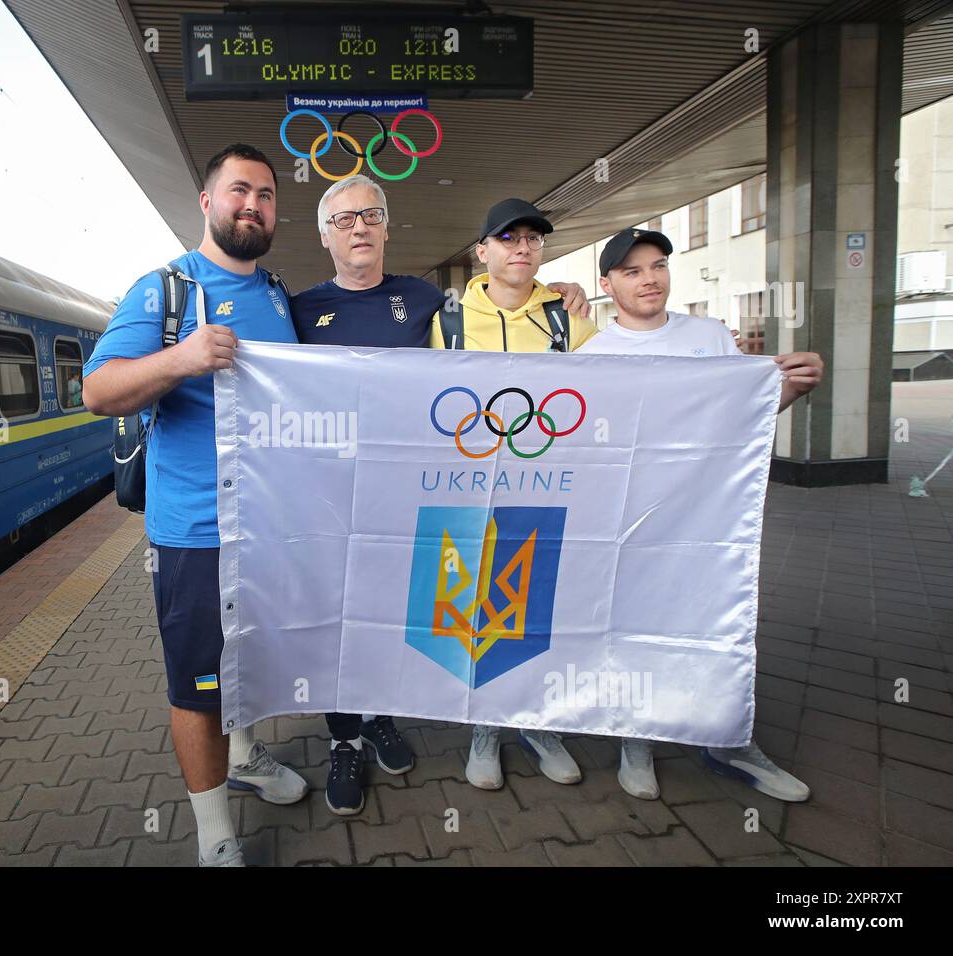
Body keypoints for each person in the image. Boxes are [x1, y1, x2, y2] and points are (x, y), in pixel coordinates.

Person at [292, 176, 590, 814]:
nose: (359, 227)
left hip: (411, 497)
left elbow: (502, 319)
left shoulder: (430, 302)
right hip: (331, 497)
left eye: (371, 215)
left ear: (387, 226)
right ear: (324, 236)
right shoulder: (296, 309)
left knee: (395, 612)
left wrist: (562, 292)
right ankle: (344, 737)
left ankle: (382, 717)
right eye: (343, 220)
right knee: (339, 617)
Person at [81, 144, 306, 867]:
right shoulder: (163, 290)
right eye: (240, 191)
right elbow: (96, 391)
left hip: (267, 527)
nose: (254, 205)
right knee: (198, 684)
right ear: (207, 203)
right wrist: (181, 357)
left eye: (267, 195)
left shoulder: (275, 292)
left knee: (251, 661)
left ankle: (245, 755)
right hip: (197, 534)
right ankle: (215, 837)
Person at [577, 225, 822, 802]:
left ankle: (729, 740)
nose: (649, 279)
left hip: (706, 516)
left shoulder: (711, 337)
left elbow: (739, 417)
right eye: (632, 271)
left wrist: (787, 391)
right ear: (607, 283)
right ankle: (636, 738)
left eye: (657, 265)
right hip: (630, 521)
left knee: (716, 622)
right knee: (633, 626)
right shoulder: (592, 356)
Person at [430, 198, 600, 791]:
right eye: (507, 238)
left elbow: (616, 388)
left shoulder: (568, 319)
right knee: (478, 610)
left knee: (541, 605)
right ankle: (485, 727)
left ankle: (538, 723)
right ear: (483, 251)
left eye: (532, 238)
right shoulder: (448, 319)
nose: (522, 247)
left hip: (546, 485)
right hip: (471, 488)